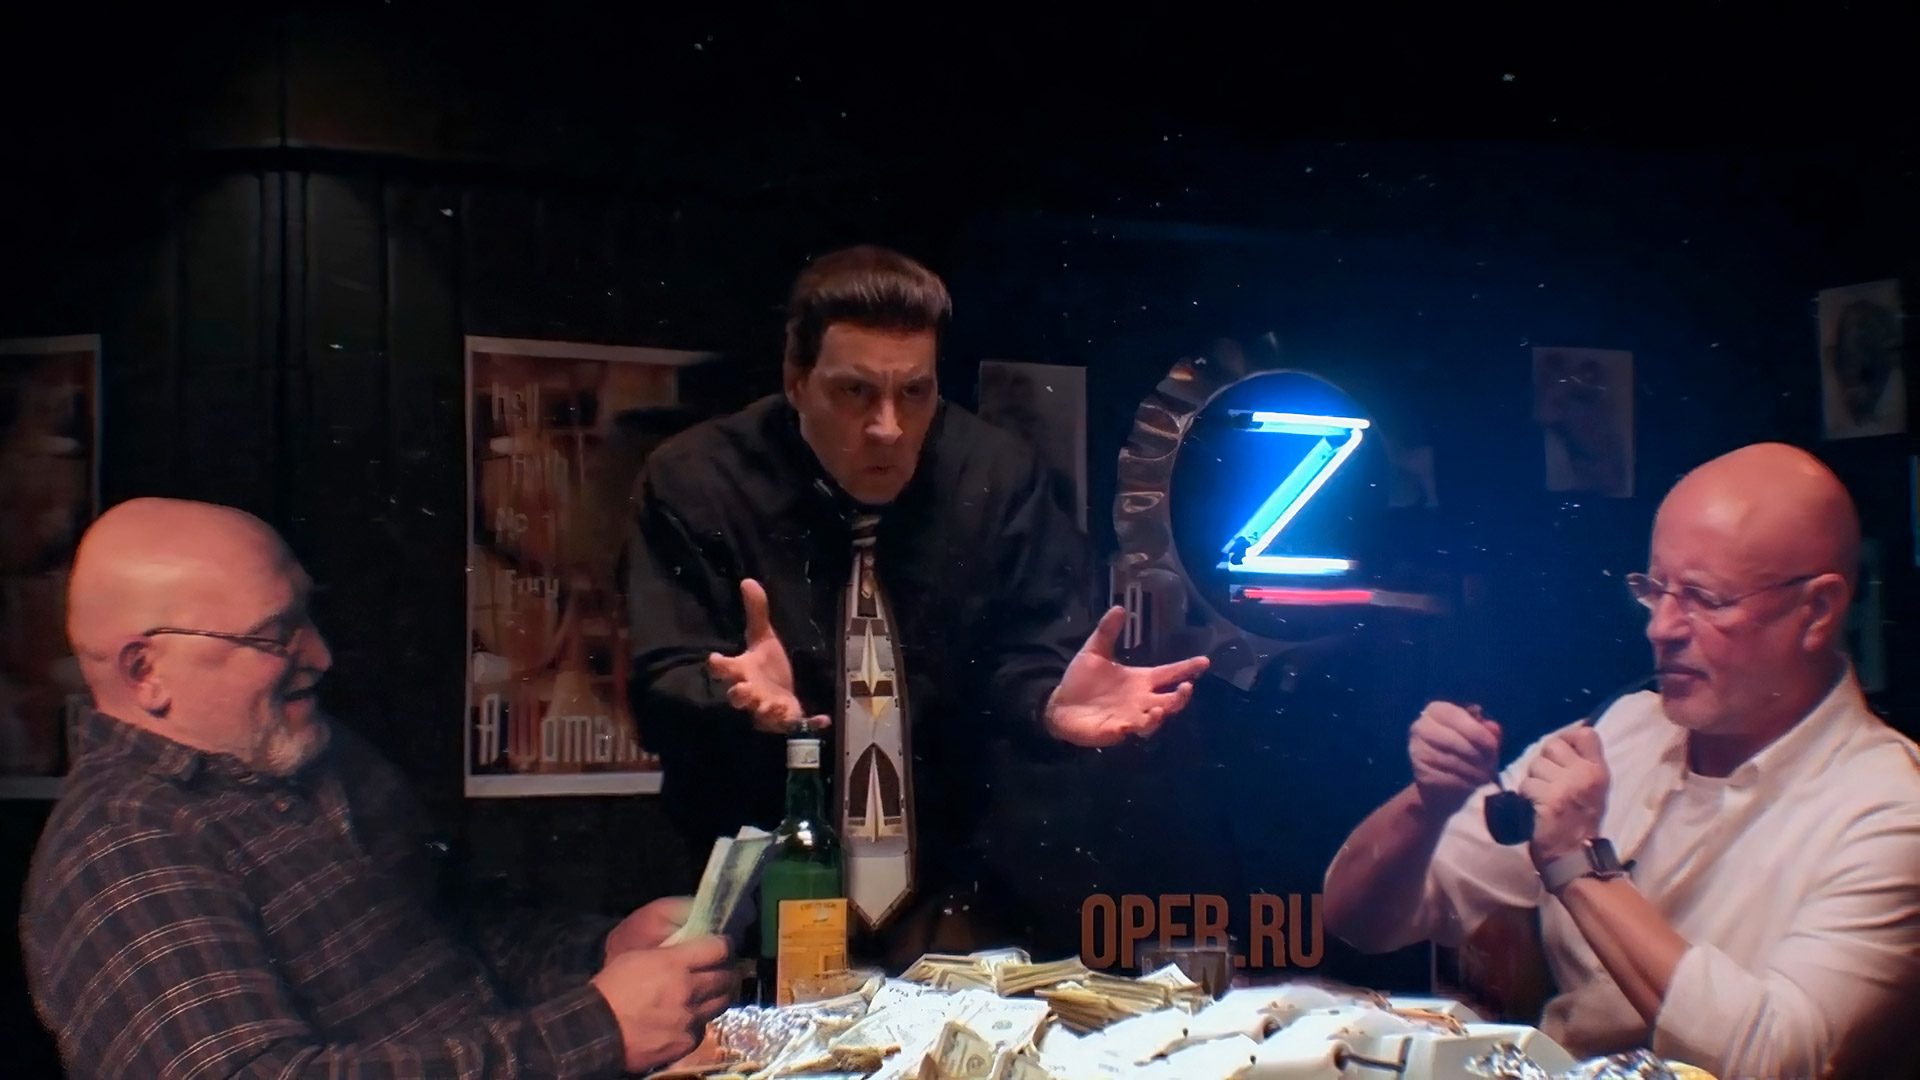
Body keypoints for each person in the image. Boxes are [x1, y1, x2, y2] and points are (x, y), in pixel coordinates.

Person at [627, 245, 1208, 965]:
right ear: (796, 381)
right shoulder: (697, 481)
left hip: (957, 883)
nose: (889, 428)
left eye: (914, 393)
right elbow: (661, 681)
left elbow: (1026, 652)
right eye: (854, 392)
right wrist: (737, 696)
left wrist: (1049, 702)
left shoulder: (996, 476)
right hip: (764, 885)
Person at [20, 498, 736, 1080]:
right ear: (145, 672)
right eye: (274, 636)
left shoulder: (318, 756)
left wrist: (603, 953)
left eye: (306, 616)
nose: (319, 654)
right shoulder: (124, 847)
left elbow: (462, 930)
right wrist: (597, 1030)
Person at [1321, 443, 1920, 1079]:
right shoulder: (1625, 728)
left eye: (1706, 598)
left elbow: (1777, 1062)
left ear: (1816, 611)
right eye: (1655, 591)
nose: (1661, 628)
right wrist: (1428, 806)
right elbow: (1359, 922)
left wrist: (1576, 865)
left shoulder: (1891, 809)